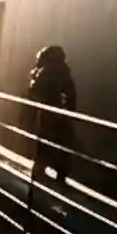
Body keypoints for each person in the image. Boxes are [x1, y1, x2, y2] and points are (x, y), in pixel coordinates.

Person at [26, 45, 78, 184]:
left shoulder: (44, 72)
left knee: (44, 145)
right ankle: (60, 176)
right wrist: (69, 111)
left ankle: (38, 174)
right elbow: (71, 94)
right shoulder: (64, 71)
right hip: (62, 114)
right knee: (63, 145)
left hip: (48, 114)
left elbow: (34, 91)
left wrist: (43, 105)